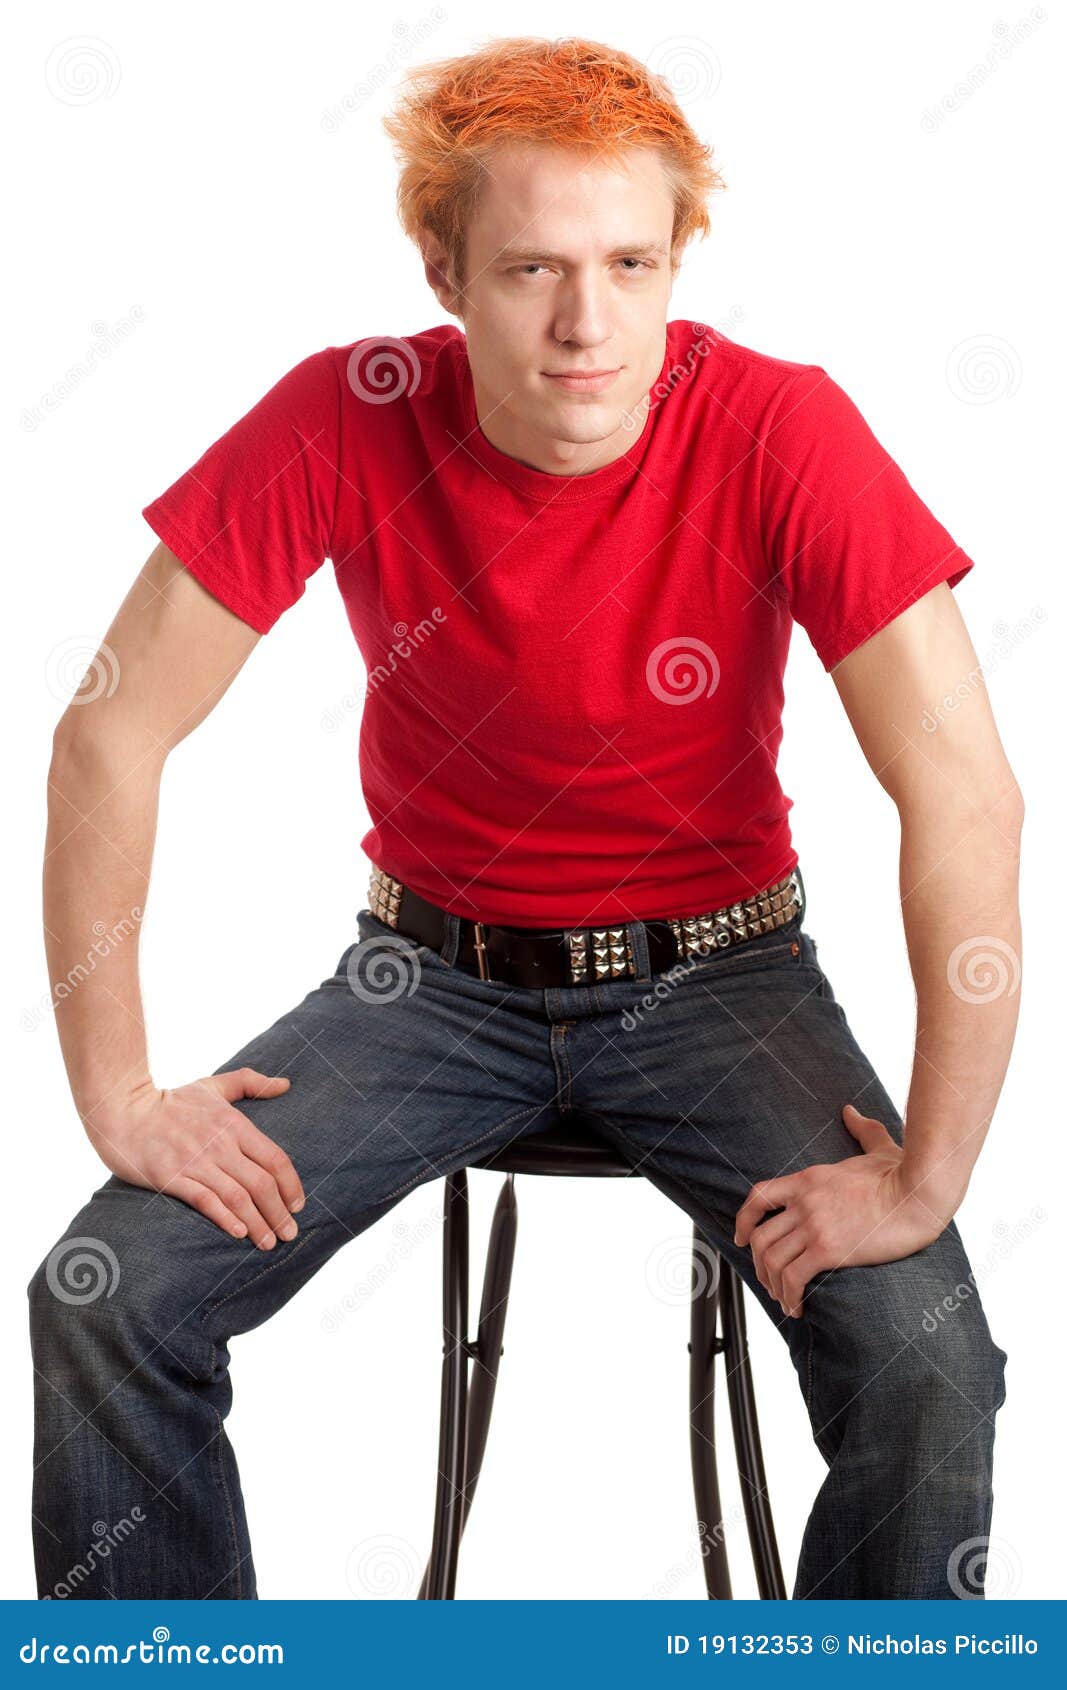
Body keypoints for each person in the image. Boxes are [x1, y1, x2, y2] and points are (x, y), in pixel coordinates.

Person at [30, 36, 1021, 1601]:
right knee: (109, 1297)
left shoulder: (782, 430)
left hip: (722, 978)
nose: (587, 324)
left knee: (931, 1368)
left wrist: (930, 1176)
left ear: (680, 253)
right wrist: (119, 1096)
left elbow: (962, 790)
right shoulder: (347, 412)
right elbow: (110, 731)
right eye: (532, 269)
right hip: (425, 984)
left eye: (632, 261)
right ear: (441, 268)